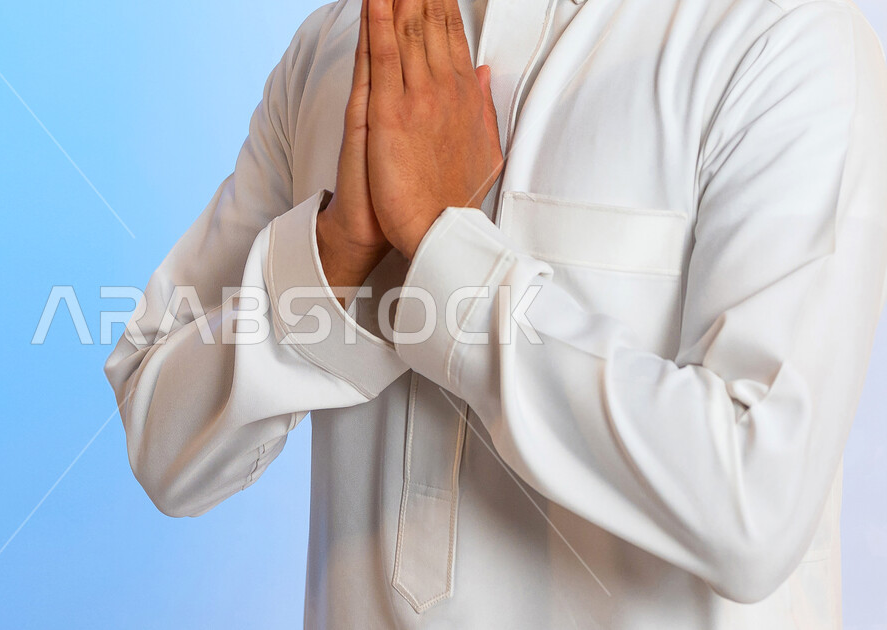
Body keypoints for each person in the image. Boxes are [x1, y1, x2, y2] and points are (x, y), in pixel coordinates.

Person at [104, 0, 887, 627]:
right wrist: (336, 255)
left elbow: (756, 507)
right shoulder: (335, 46)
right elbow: (160, 438)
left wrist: (447, 258)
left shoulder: (782, 39)